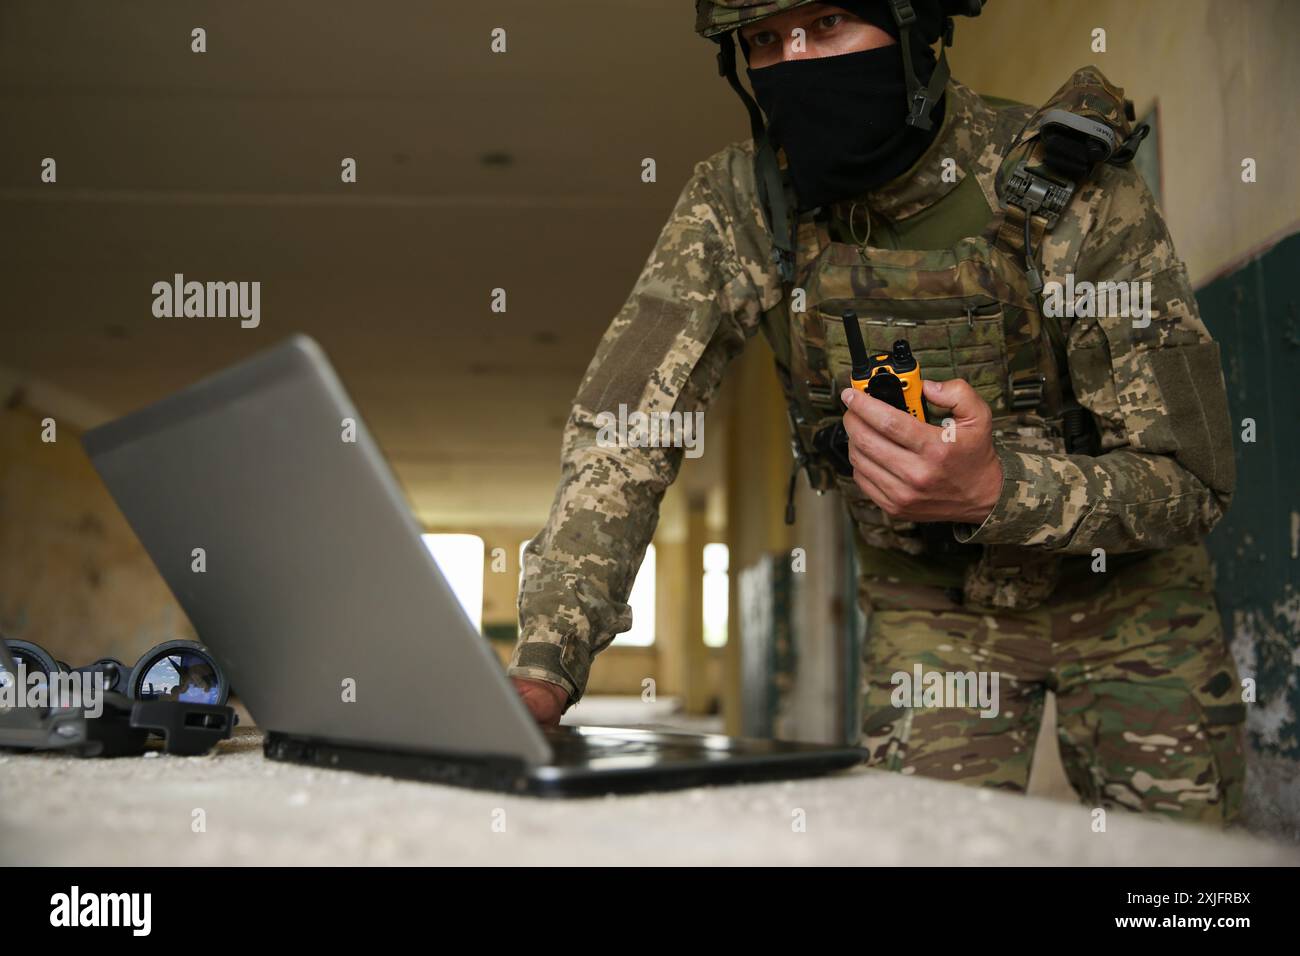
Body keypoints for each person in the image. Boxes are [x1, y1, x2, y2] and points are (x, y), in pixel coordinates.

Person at [509, 0, 1246, 824]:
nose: (795, 61)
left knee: (1188, 894)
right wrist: (547, 660)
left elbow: (1191, 481)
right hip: (931, 608)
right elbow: (626, 432)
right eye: (763, 41)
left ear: (911, 27)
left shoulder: (1071, 185)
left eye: (826, 24)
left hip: (1131, 597)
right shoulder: (742, 204)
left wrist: (999, 493)